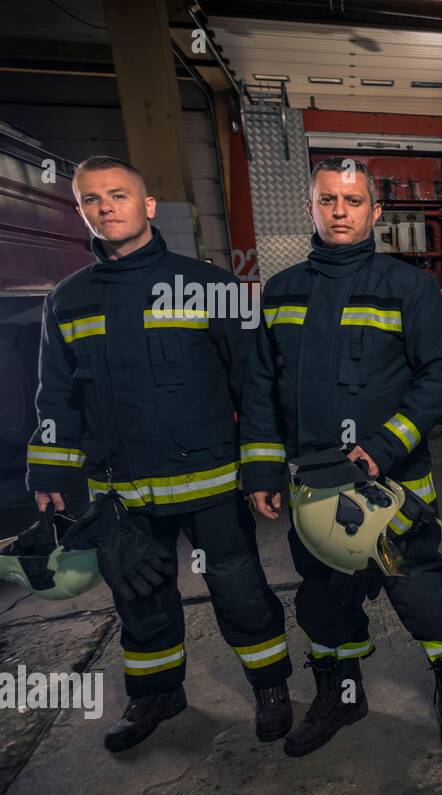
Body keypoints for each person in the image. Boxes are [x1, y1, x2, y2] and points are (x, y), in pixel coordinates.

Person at [27, 155, 290, 751]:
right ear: (81, 212)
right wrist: (49, 469)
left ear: (147, 206)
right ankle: (158, 694)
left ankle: (271, 686)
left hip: (212, 487)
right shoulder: (67, 301)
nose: (106, 208)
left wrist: (263, 466)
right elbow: (57, 396)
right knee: (139, 597)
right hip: (123, 493)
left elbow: (257, 385)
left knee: (241, 589)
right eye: (92, 200)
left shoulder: (214, 287)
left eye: (118, 195)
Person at [240, 157, 442, 759]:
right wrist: (264, 469)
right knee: (323, 603)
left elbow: (439, 376)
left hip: (394, 486)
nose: (339, 212)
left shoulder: (410, 288)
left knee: (421, 594)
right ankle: (342, 696)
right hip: (314, 487)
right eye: (328, 201)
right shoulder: (281, 291)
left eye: (352, 201)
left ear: (376, 212)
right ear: (311, 209)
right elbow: (262, 391)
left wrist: (382, 447)